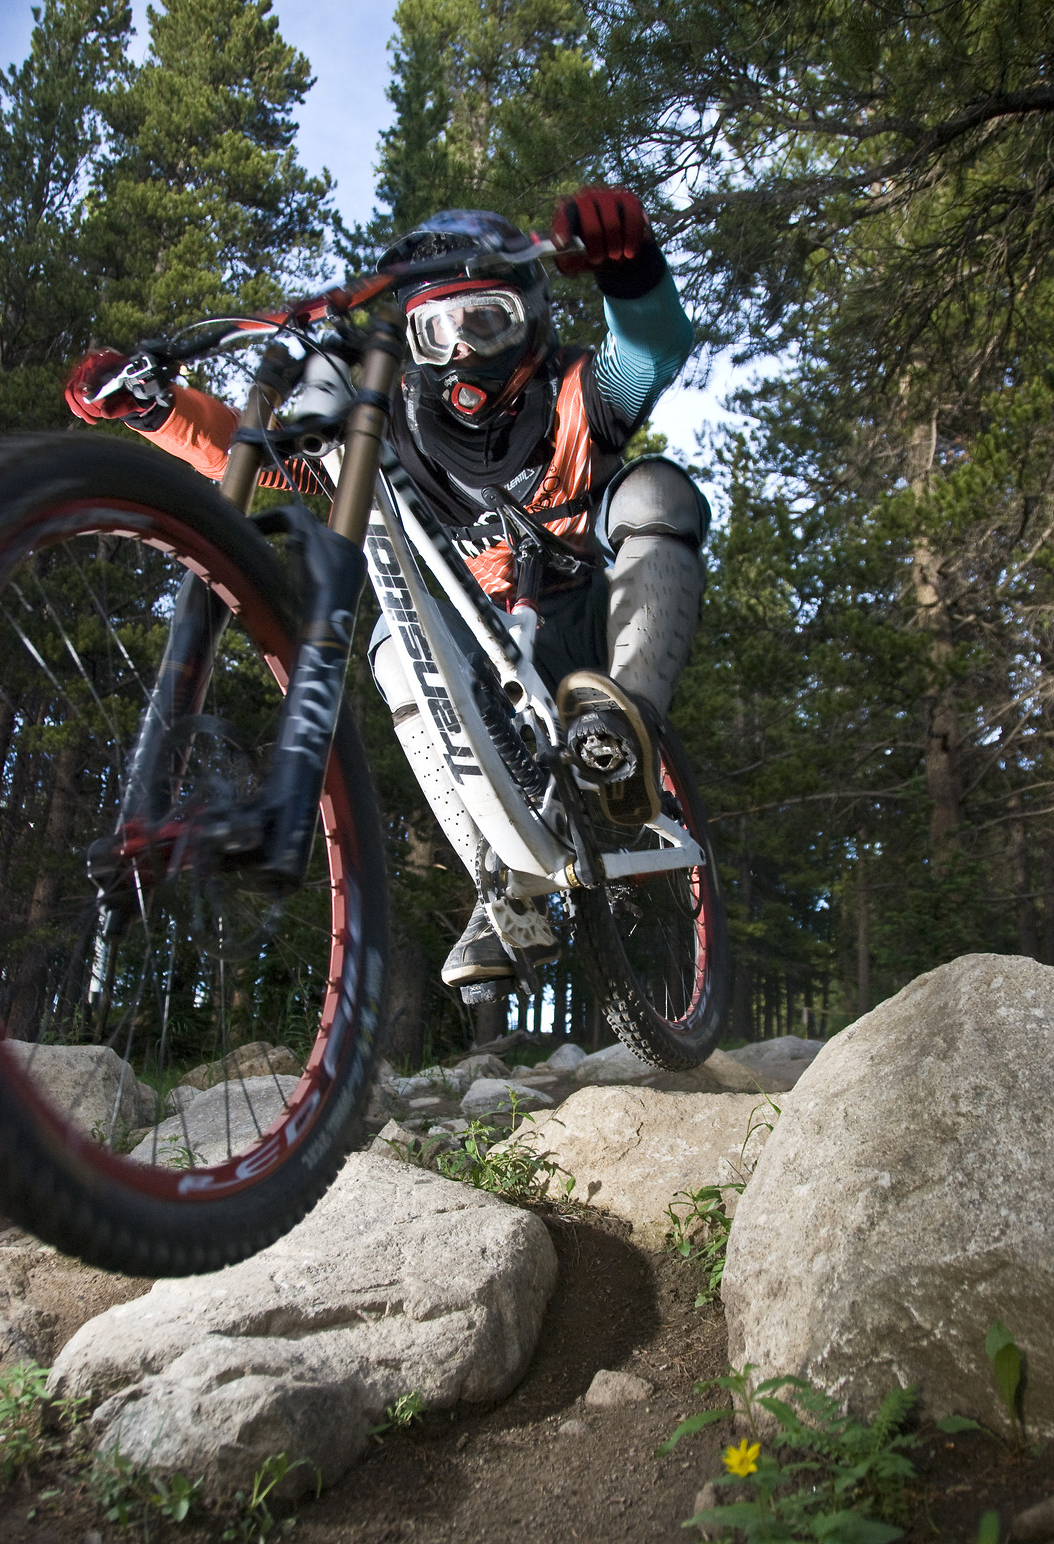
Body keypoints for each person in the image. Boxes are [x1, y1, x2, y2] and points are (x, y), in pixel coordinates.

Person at [64, 187, 709, 990]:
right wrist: (157, 410)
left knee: (657, 495)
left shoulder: (577, 391)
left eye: (488, 319)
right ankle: (500, 886)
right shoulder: (393, 423)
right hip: (481, 643)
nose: (464, 351)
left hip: (596, 610)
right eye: (438, 330)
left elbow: (652, 345)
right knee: (393, 642)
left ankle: (626, 737)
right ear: (410, 339)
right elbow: (261, 452)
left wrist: (628, 261)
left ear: (533, 322)